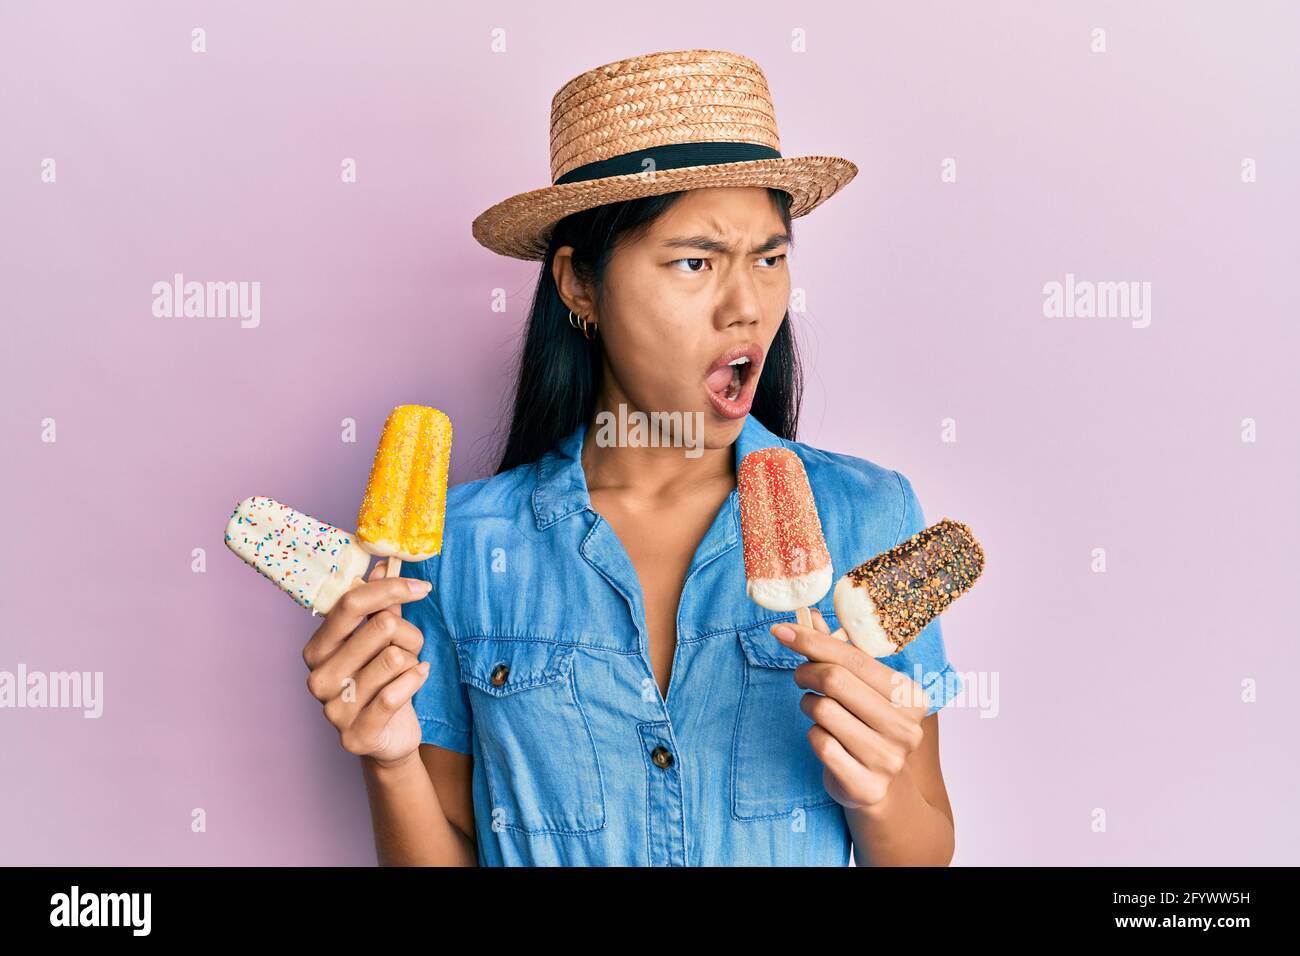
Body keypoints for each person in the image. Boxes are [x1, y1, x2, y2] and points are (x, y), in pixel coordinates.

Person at [303, 49, 964, 866]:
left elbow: (926, 849)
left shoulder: (867, 513)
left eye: (770, 258)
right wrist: (388, 758)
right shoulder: (455, 549)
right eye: (695, 262)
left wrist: (880, 788)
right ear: (580, 285)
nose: (746, 306)